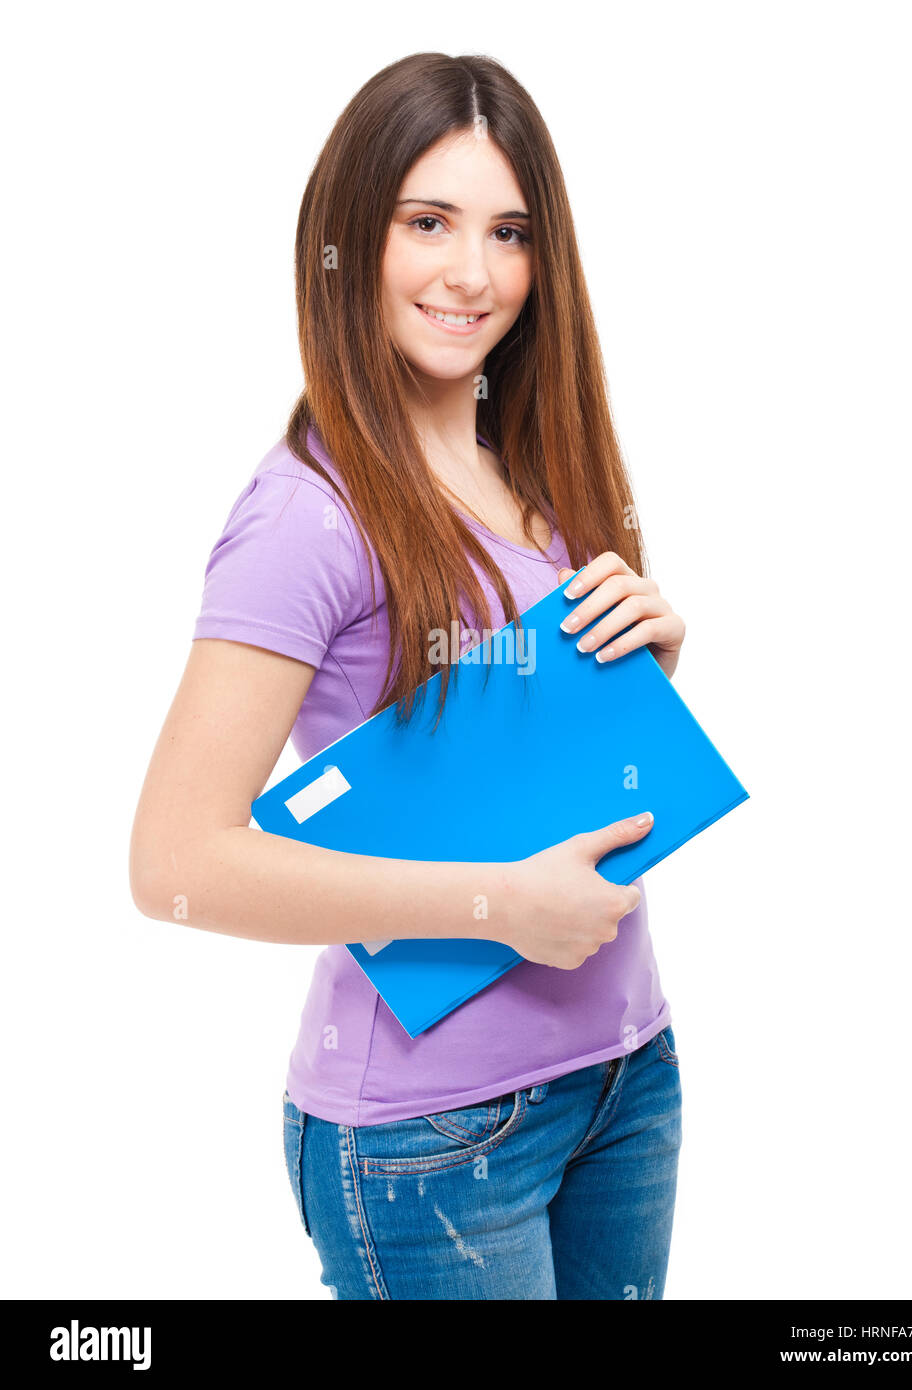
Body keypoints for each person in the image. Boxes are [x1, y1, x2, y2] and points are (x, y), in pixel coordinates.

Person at [129, 51, 687, 1301]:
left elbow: (529, 770)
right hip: (435, 1142)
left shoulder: (532, 461)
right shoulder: (303, 518)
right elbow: (172, 865)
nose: (472, 274)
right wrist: (499, 908)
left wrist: (644, 673)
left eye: (507, 231)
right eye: (426, 222)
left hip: (625, 1074)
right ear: (350, 236)